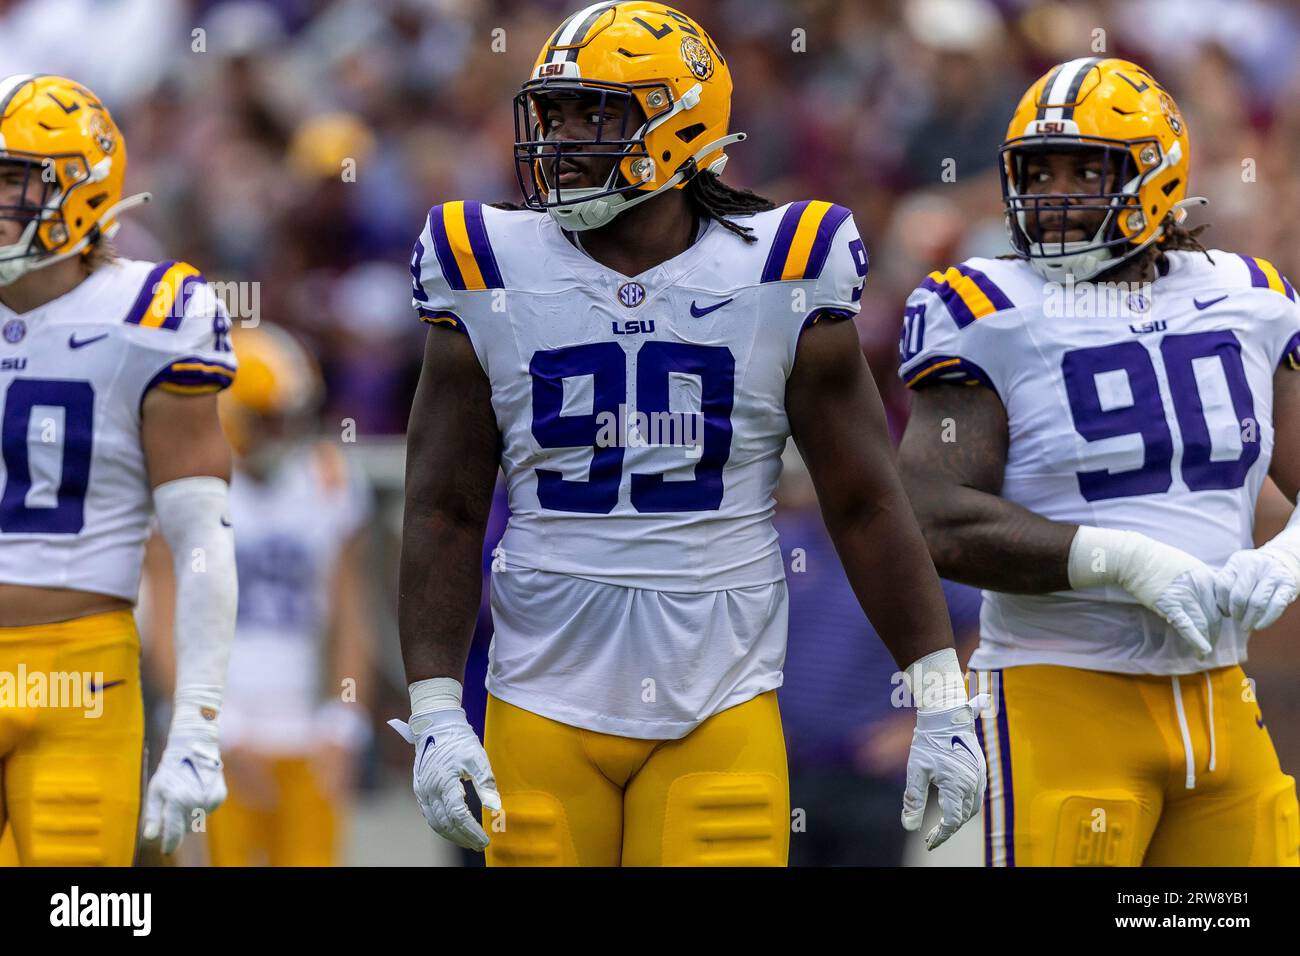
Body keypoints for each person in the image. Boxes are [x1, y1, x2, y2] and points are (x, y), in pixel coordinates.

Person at [393, 1, 985, 867]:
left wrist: (939, 697)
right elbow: (443, 506)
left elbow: (864, 502)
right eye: (550, 114)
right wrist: (439, 706)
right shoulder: (485, 265)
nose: (558, 139)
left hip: (722, 704)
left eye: (590, 113)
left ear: (679, 123)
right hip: (537, 702)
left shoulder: (782, 266)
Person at [897, 57, 1300, 866]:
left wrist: (1294, 548)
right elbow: (930, 516)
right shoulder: (985, 308)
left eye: (1089, 169)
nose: (1057, 193)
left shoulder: (1250, 294)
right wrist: (1119, 561)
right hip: (1062, 692)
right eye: (1037, 171)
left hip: (1223, 698)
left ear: (1156, 177)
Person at [0, 74, 238, 865]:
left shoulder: (152, 315)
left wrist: (199, 719)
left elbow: (201, 537)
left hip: (80, 672)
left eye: (7, 180)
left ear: (77, 188)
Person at [141, 323, 374, 866]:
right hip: (215, 734)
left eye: (291, 416)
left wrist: (345, 721)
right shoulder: (188, 482)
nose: (285, 432)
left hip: (304, 733)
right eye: (268, 419)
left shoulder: (328, 478)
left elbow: (350, 613)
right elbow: (165, 621)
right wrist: (212, 725)